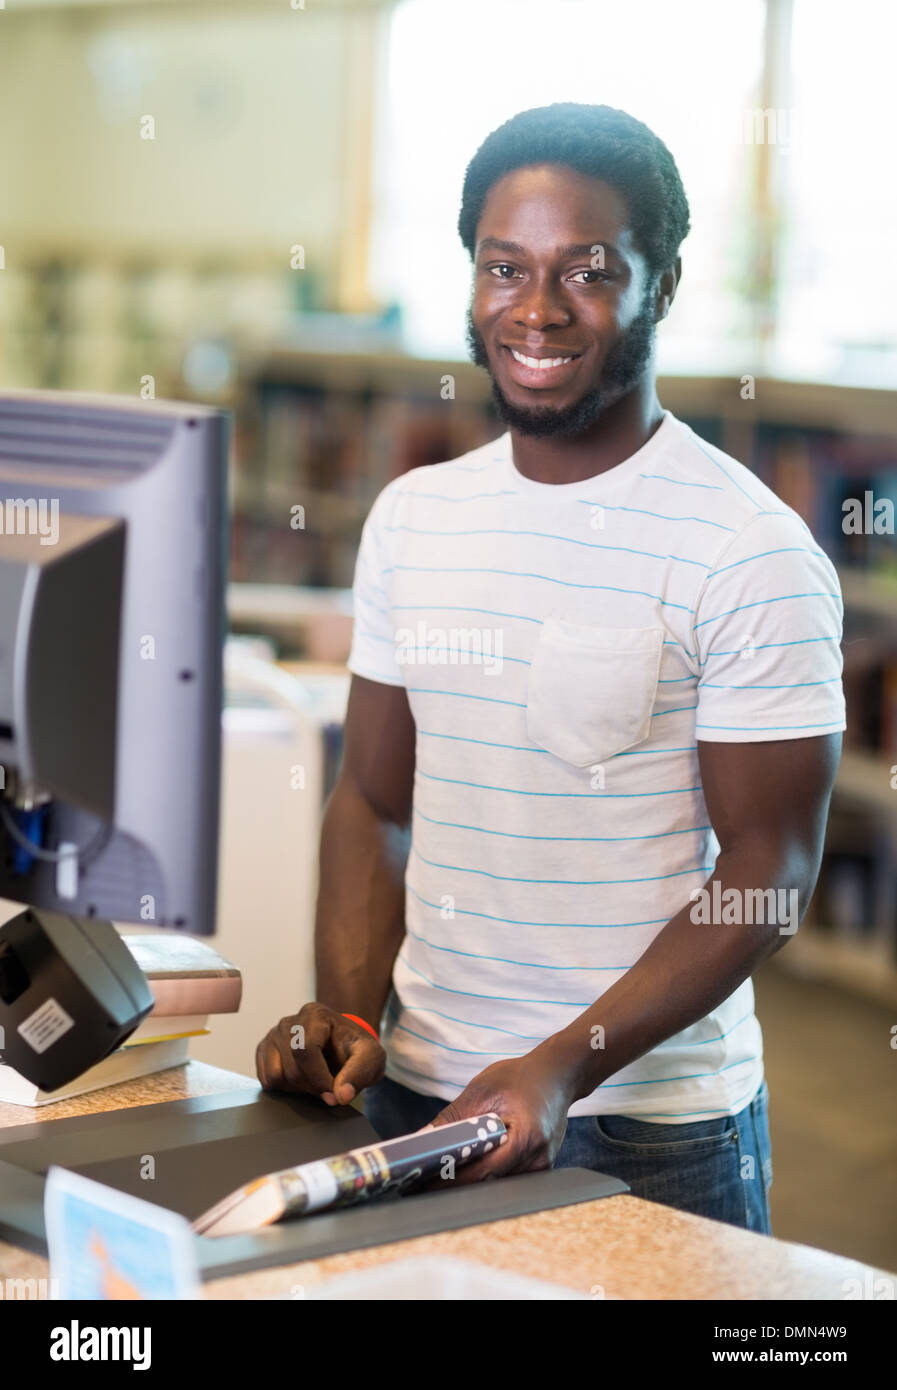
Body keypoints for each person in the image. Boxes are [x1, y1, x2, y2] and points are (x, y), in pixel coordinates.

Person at [256, 103, 844, 1232]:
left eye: (586, 270)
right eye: (503, 267)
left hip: (647, 1126)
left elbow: (771, 872)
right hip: (415, 1095)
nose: (536, 309)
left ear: (662, 284)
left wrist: (562, 1063)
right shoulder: (414, 516)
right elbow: (376, 800)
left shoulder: (747, 545)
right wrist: (346, 1010)